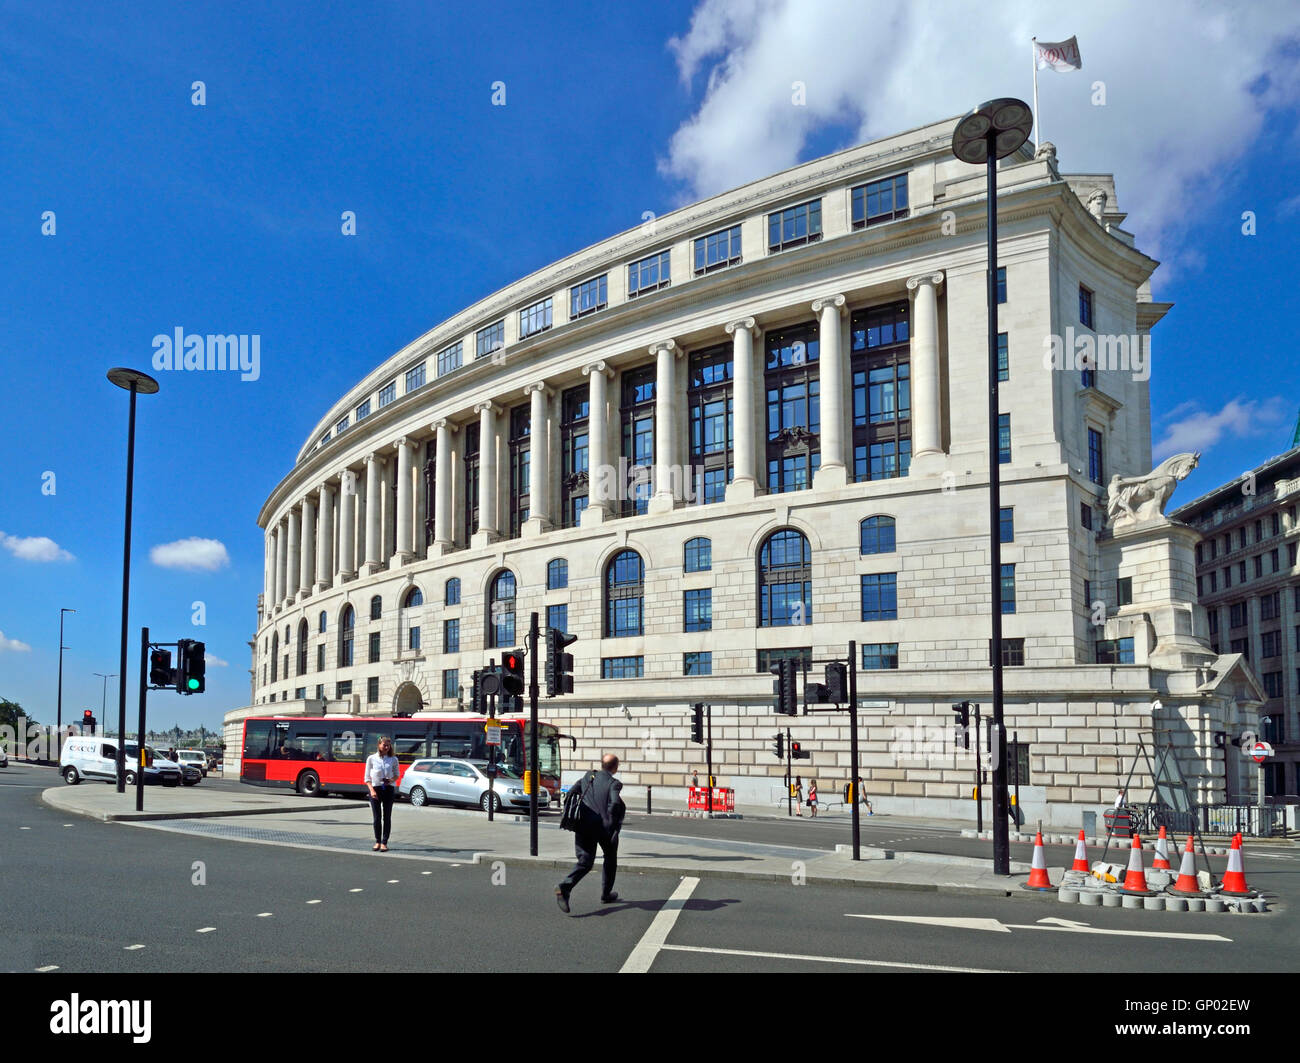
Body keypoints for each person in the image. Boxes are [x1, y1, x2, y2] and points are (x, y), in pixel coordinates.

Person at [556, 753, 625, 912]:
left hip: (582, 825)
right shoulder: (614, 783)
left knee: (585, 862)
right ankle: (606, 893)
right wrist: (612, 822)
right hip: (603, 828)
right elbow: (615, 803)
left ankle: (564, 887)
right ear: (615, 767)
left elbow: (573, 791)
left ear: (602, 764)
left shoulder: (589, 776)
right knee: (610, 856)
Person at [364, 736, 400, 852]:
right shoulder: (371, 758)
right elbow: (366, 777)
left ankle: (384, 843)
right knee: (377, 817)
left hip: (388, 788)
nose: (386, 747)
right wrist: (372, 790)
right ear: (379, 745)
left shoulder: (393, 759)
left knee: (387, 817)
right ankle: (377, 841)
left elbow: (397, 774)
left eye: (388, 745)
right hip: (375, 789)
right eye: (384, 745)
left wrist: (390, 780)